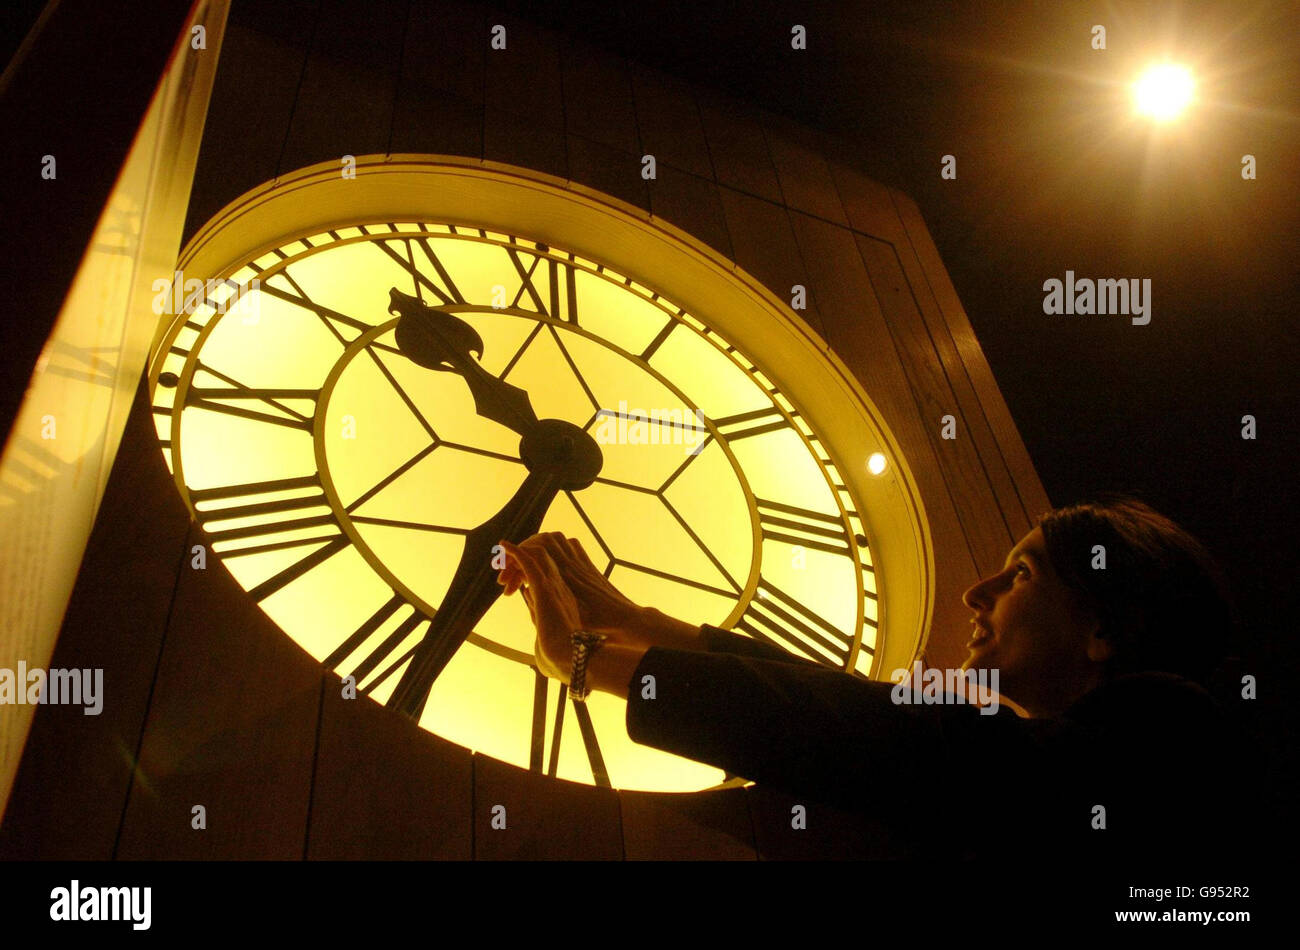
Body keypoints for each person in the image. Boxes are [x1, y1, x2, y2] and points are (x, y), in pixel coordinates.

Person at [497, 495, 1257, 860]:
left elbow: (907, 744)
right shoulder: (1105, 774)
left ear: (1101, 629)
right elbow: (884, 729)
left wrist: (595, 657)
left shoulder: (1174, 739)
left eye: (1019, 574)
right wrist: (640, 630)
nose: (974, 593)